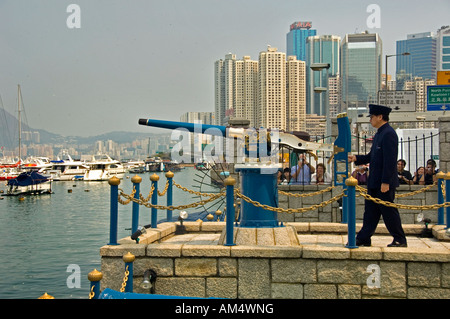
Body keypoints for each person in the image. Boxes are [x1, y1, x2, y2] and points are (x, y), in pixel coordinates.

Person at [348, 104, 407, 247]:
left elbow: (390, 160)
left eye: (372, 117)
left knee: (388, 211)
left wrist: (385, 182)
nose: (370, 120)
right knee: (370, 212)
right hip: (374, 181)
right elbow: (372, 156)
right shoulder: (379, 134)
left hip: (383, 182)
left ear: (380, 117)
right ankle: (364, 237)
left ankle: (399, 239)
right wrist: (356, 158)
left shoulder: (389, 134)